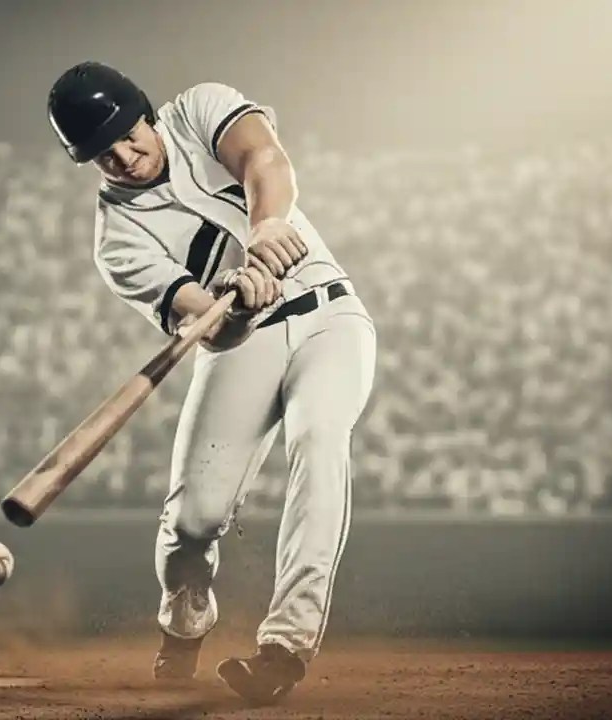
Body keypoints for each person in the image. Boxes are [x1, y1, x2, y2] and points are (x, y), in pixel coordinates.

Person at [46, 61, 377, 704]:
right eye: (104, 154)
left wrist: (268, 225)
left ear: (145, 113)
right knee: (193, 522)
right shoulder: (118, 241)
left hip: (330, 317)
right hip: (241, 346)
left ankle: (285, 646)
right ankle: (185, 621)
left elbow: (264, 159)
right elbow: (208, 329)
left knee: (319, 438)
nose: (125, 157)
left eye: (128, 136)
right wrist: (238, 310)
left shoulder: (200, 108)